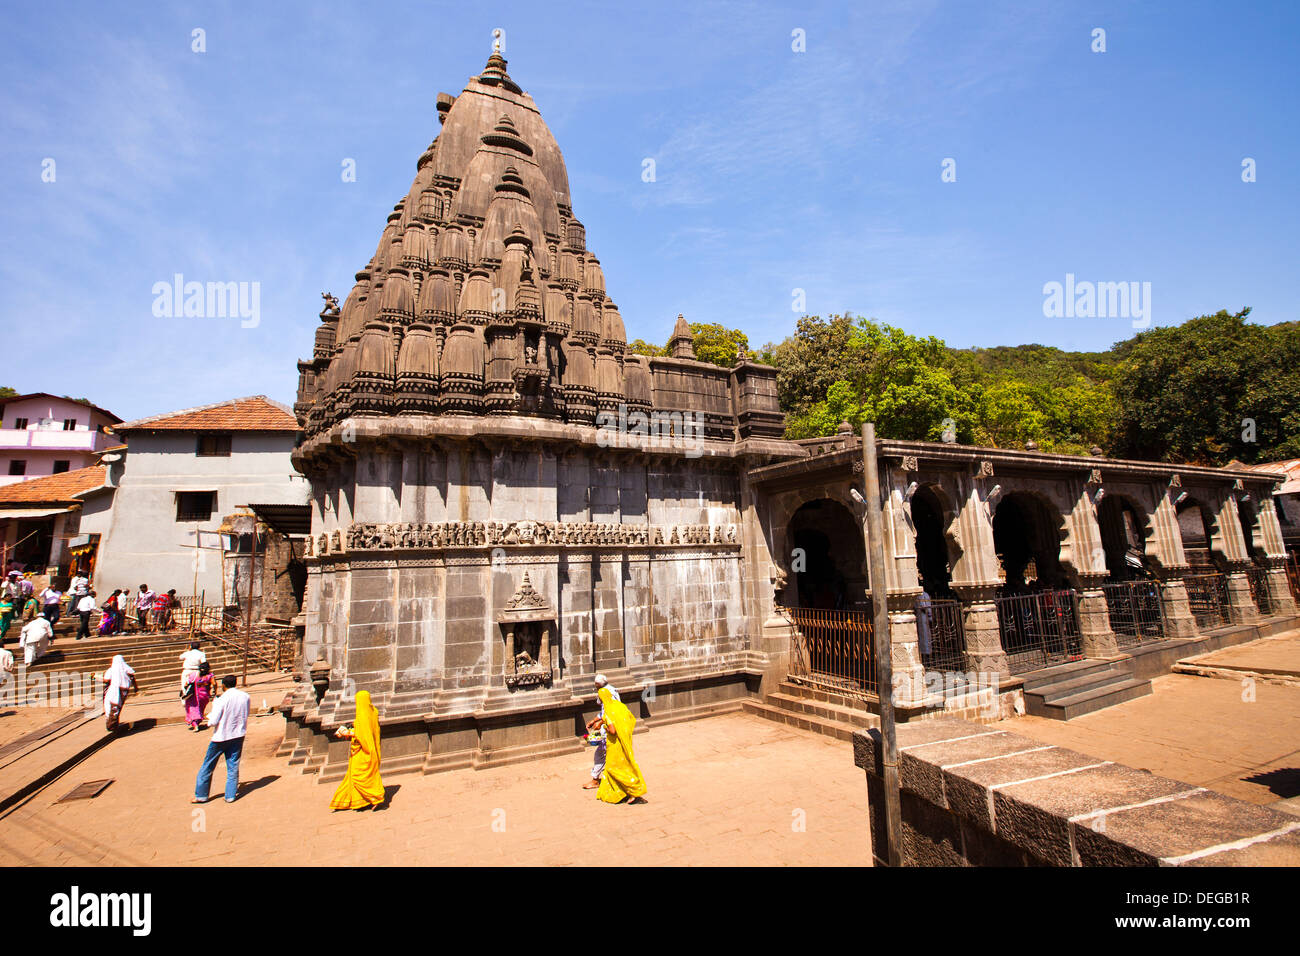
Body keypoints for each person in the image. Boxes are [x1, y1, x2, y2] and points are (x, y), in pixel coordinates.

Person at [193, 675, 250, 804]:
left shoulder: (221, 699)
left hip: (221, 737)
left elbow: (213, 721)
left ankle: (201, 795)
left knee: (208, 765)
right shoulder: (245, 696)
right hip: (238, 734)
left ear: (224, 685)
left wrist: (210, 716)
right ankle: (230, 795)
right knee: (233, 765)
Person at [330, 690, 385, 810]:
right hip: (372, 749)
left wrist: (348, 733)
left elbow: (362, 736)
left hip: (363, 752)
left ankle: (375, 797)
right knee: (357, 777)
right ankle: (351, 800)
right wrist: (352, 726)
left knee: (357, 776)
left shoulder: (363, 716)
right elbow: (365, 730)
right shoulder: (373, 712)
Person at [594, 686, 647, 805]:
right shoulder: (619, 706)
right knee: (626, 765)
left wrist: (603, 727)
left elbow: (612, 730)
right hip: (624, 741)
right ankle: (621, 792)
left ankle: (634, 792)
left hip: (615, 745)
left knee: (615, 769)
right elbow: (630, 718)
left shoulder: (608, 710)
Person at [583, 674, 621, 790]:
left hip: (611, 730)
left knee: (601, 754)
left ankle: (595, 779)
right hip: (610, 728)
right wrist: (594, 720)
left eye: (596, 686)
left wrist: (601, 723)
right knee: (608, 755)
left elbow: (610, 712)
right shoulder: (608, 691)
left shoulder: (608, 693)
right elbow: (604, 711)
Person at [101, 654, 137, 731]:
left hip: (114, 690)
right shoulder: (126, 668)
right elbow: (132, 677)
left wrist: (92, 676)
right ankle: (114, 723)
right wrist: (136, 688)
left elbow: (106, 680)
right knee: (118, 706)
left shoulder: (112, 669)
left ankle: (111, 724)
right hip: (124, 690)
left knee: (110, 705)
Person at [183, 661, 213, 731]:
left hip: (194, 696)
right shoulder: (210, 676)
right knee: (200, 710)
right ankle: (197, 722)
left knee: (193, 710)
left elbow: (186, 684)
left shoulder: (194, 675)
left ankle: (195, 725)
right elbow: (214, 684)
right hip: (204, 696)